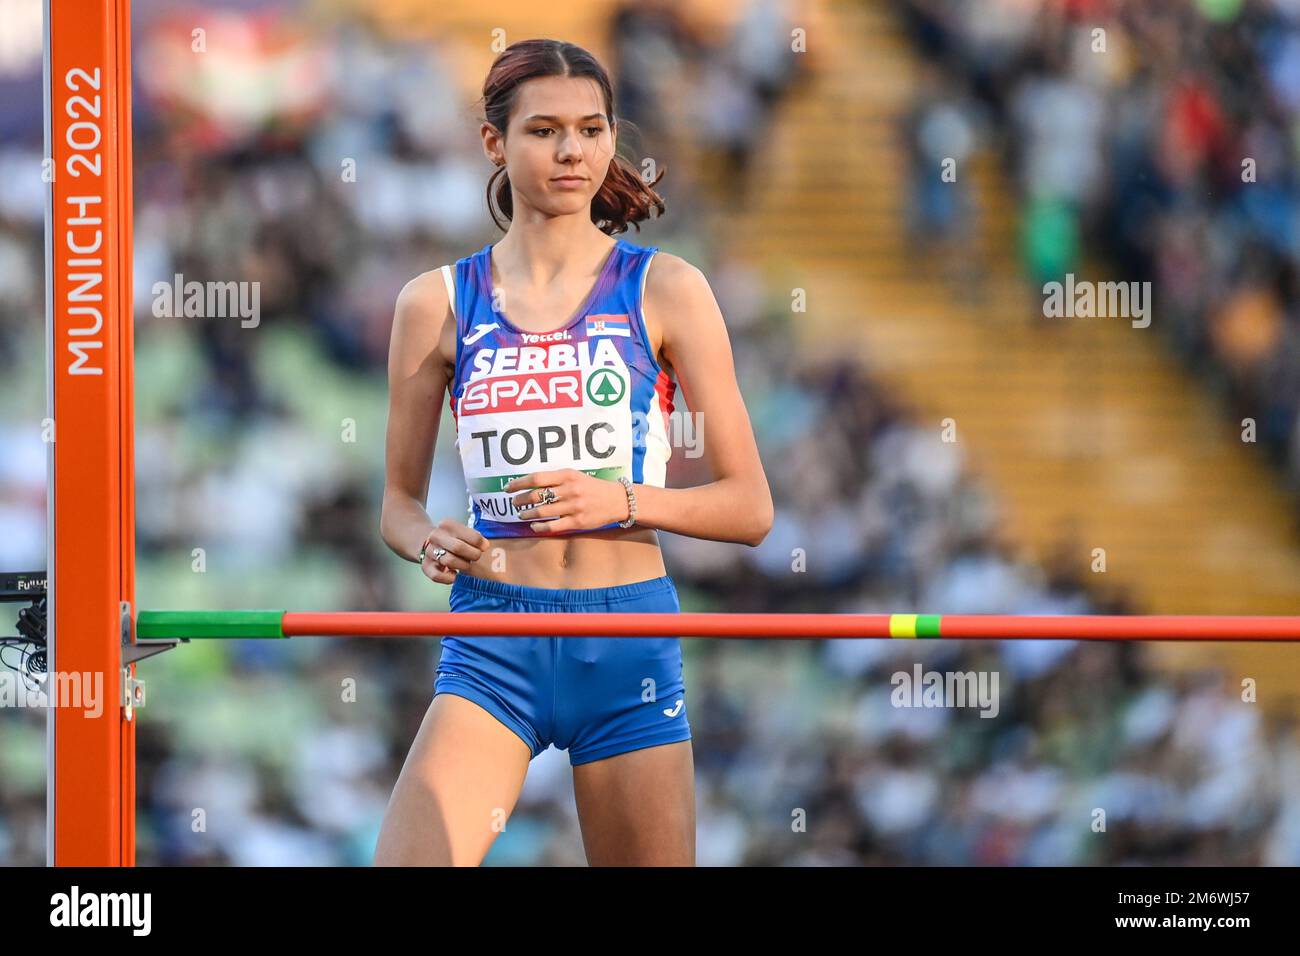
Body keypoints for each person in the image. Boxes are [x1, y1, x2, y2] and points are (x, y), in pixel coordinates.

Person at [374, 38, 773, 866]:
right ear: (494, 143)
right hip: (493, 644)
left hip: (623, 642)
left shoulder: (667, 290)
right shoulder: (436, 304)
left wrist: (623, 502)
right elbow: (397, 506)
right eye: (543, 130)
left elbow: (750, 508)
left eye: (592, 130)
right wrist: (427, 539)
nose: (572, 152)